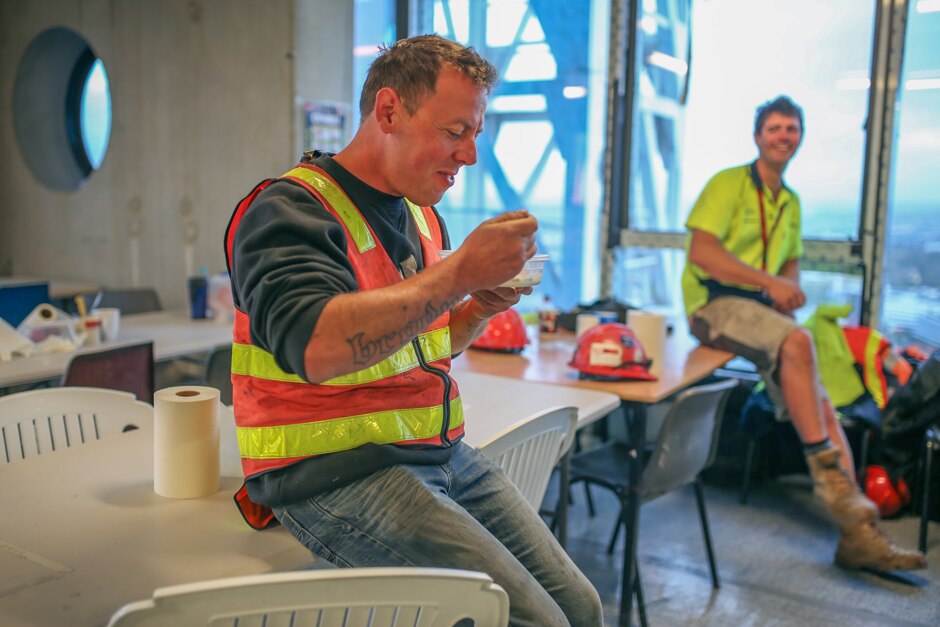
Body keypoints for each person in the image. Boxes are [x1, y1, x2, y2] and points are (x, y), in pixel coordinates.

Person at [224, 35, 602, 626]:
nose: (471, 155)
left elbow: (424, 342)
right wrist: (456, 274)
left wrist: (475, 305)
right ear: (389, 111)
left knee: (582, 607)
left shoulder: (421, 214)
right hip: (333, 476)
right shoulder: (287, 211)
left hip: (437, 457)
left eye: (477, 134)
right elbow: (316, 349)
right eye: (456, 133)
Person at [681, 95, 925, 572]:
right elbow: (702, 255)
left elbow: (788, 276)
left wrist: (785, 296)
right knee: (798, 344)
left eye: (791, 129)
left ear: (800, 138)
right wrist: (769, 284)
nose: (782, 136)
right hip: (713, 307)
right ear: (757, 137)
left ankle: (859, 537)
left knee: (820, 400)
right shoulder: (728, 184)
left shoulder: (790, 202)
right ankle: (827, 474)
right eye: (774, 128)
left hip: (761, 317)